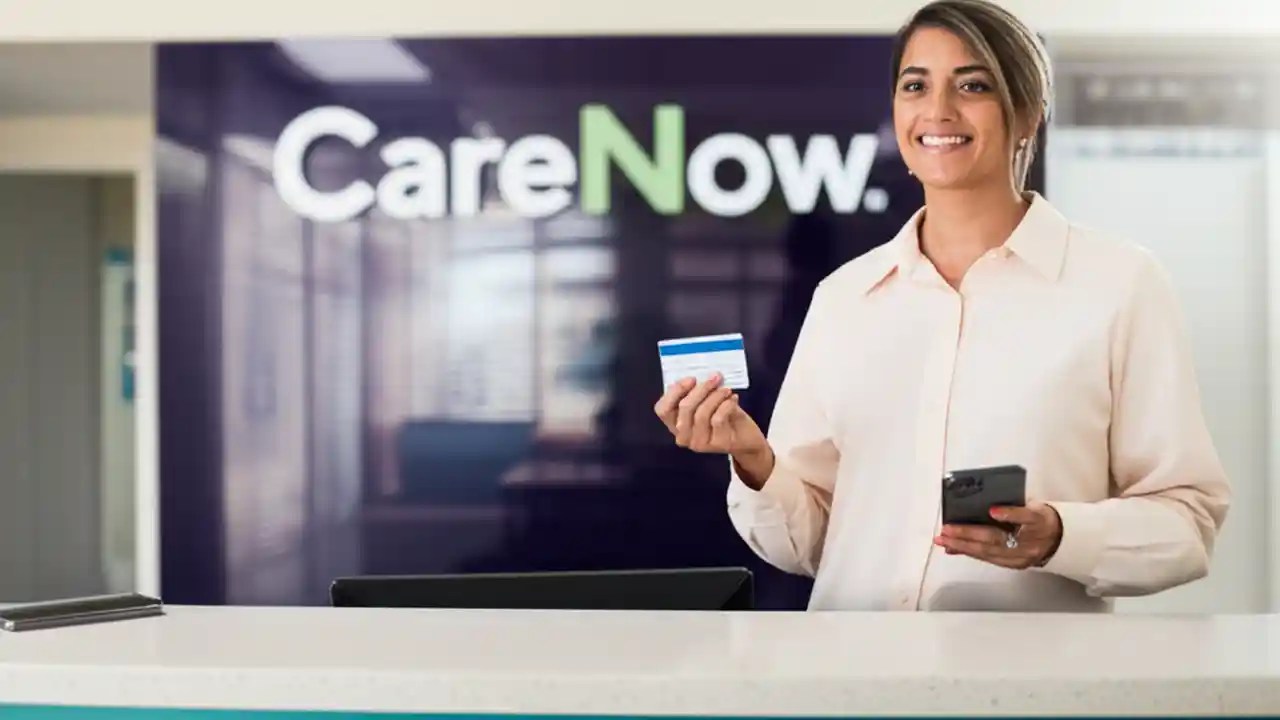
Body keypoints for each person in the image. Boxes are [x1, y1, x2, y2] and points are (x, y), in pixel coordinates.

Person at [653, 0, 1231, 612]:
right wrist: (754, 459)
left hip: (1027, 669)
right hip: (851, 665)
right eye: (915, 86)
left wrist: (1060, 536)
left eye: (972, 85)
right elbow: (811, 543)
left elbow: (1186, 524)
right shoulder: (844, 298)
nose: (938, 110)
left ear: (1028, 113)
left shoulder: (1119, 284)